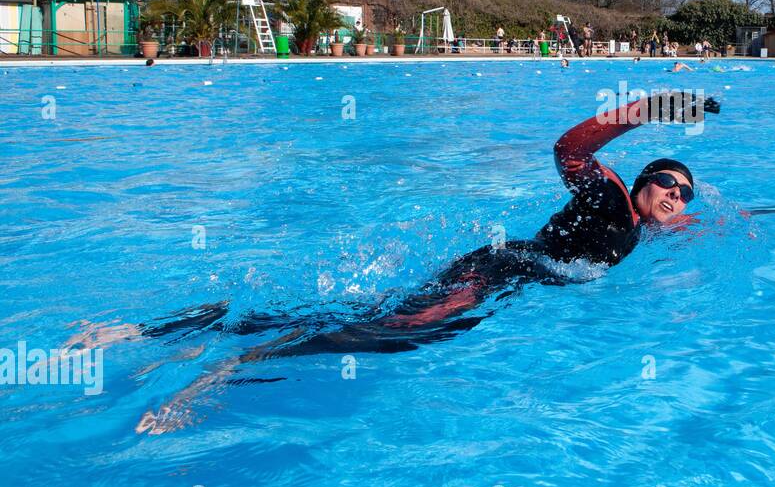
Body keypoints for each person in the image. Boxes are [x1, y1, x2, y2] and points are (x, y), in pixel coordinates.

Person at [118, 92, 721, 433]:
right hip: (494, 273)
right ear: (643, 180)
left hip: (502, 282)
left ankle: (165, 332)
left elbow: (686, 220)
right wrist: (653, 107)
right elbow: (569, 148)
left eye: (684, 192)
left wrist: (730, 218)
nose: (675, 195)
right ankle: (225, 371)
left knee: (368, 313)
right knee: (396, 333)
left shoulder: (645, 221)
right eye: (668, 183)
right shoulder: (609, 193)